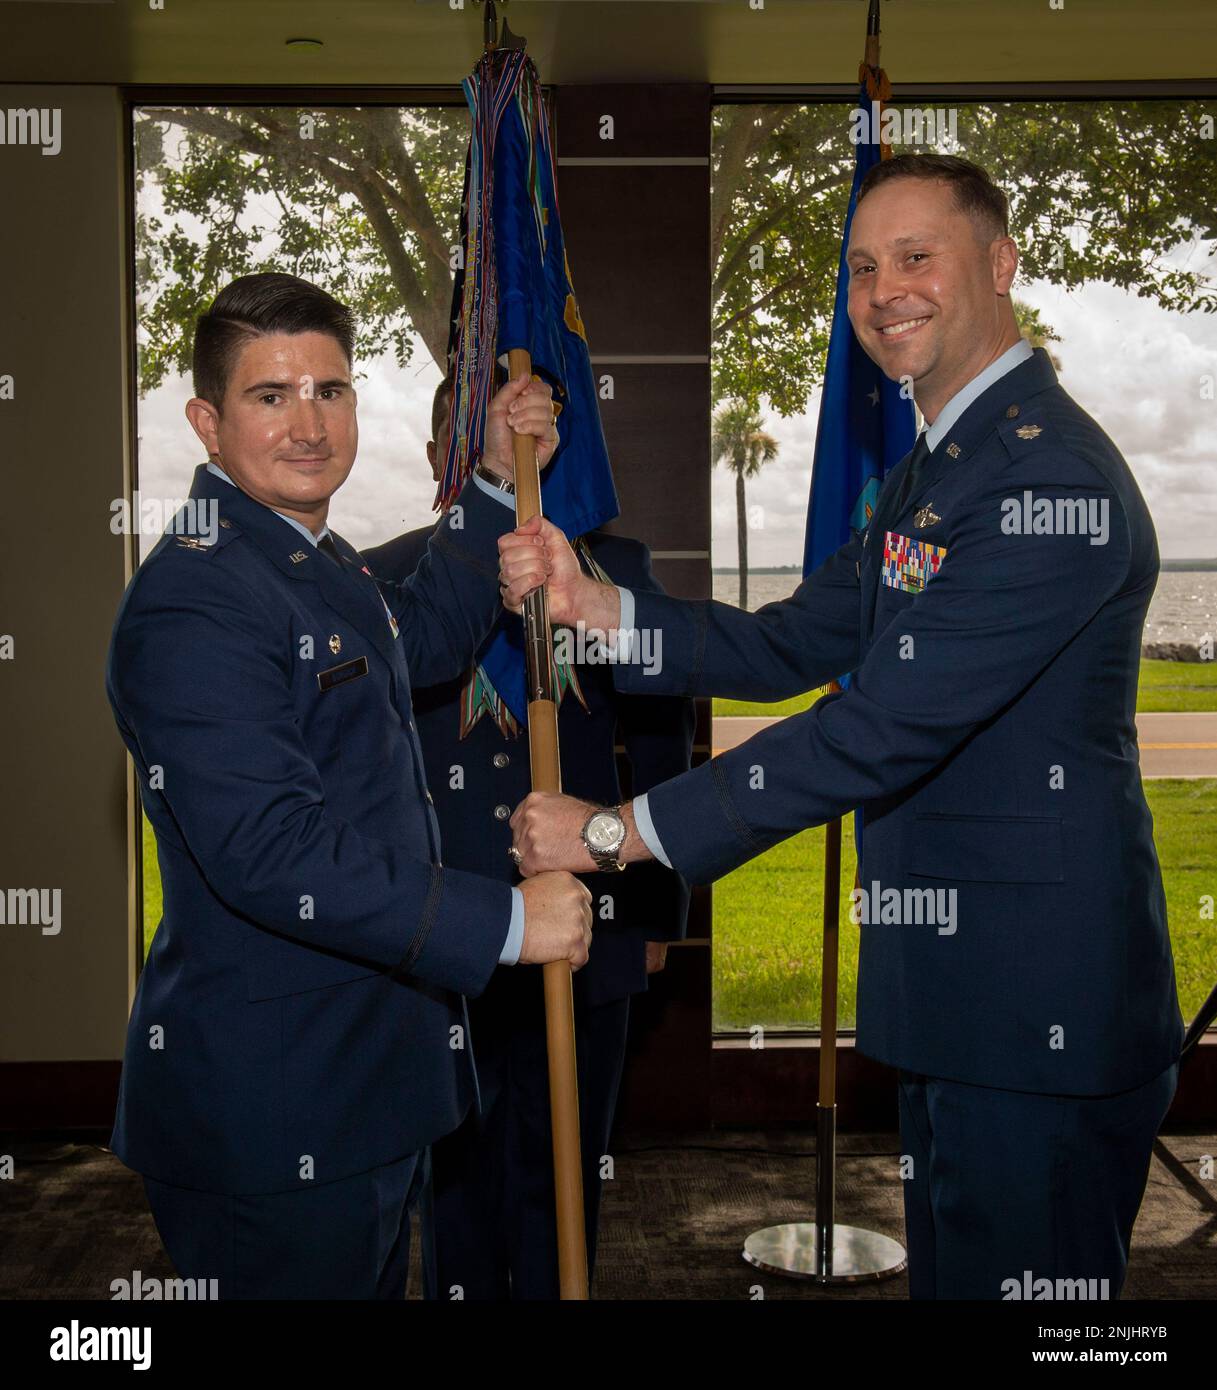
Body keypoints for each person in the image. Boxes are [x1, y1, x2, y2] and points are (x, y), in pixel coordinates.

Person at [498, 155, 1185, 1300]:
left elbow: (873, 732)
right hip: (962, 1003)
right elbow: (791, 641)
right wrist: (594, 606)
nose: (882, 291)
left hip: (1037, 1014)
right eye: (862, 267)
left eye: (917, 257)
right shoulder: (938, 468)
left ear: (999, 264)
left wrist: (615, 834)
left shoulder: (1039, 479)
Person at [106, 272, 592, 1300]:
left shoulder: (304, 560)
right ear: (206, 419)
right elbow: (271, 851)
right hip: (272, 1109)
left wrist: (502, 482)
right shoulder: (196, 597)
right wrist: (505, 923)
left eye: (329, 390)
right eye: (269, 395)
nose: (307, 423)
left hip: (357, 1088)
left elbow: (414, 639)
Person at [363, 375, 694, 1299]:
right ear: (440, 463)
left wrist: (661, 908)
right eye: (470, 446)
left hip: (596, 918)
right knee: (454, 1181)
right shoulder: (384, 577)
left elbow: (662, 739)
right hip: (446, 932)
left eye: (512, 443)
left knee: (566, 1170)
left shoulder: (613, 571)